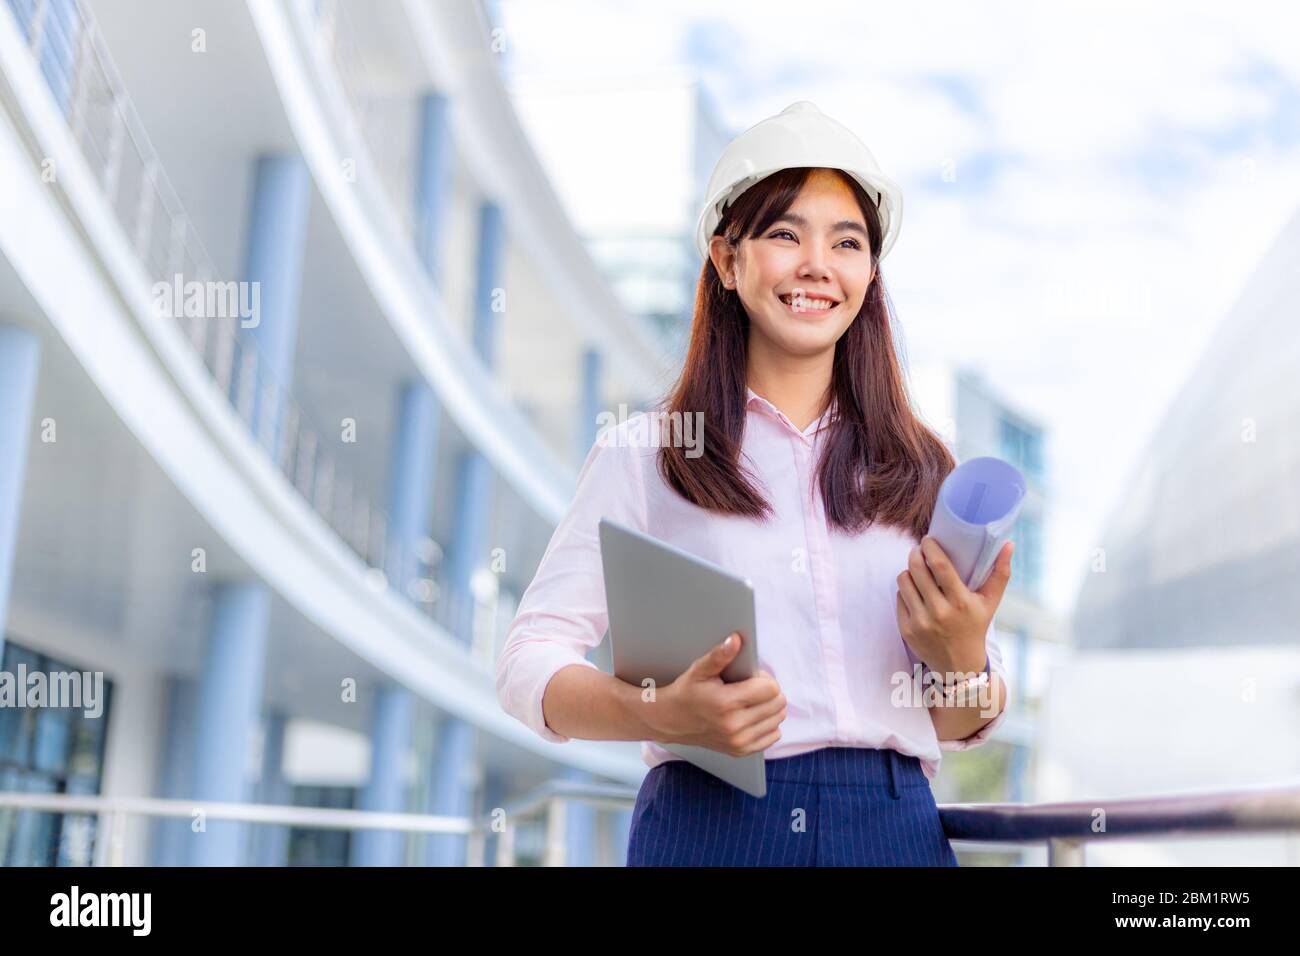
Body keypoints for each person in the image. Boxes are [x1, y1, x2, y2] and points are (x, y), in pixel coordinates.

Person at [496, 101, 1013, 866]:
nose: (817, 265)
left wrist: (966, 661)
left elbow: (952, 720)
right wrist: (657, 710)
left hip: (894, 827)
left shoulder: (921, 467)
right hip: (711, 826)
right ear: (727, 260)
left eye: (847, 242)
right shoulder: (648, 454)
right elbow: (526, 660)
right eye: (784, 234)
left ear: (869, 274)